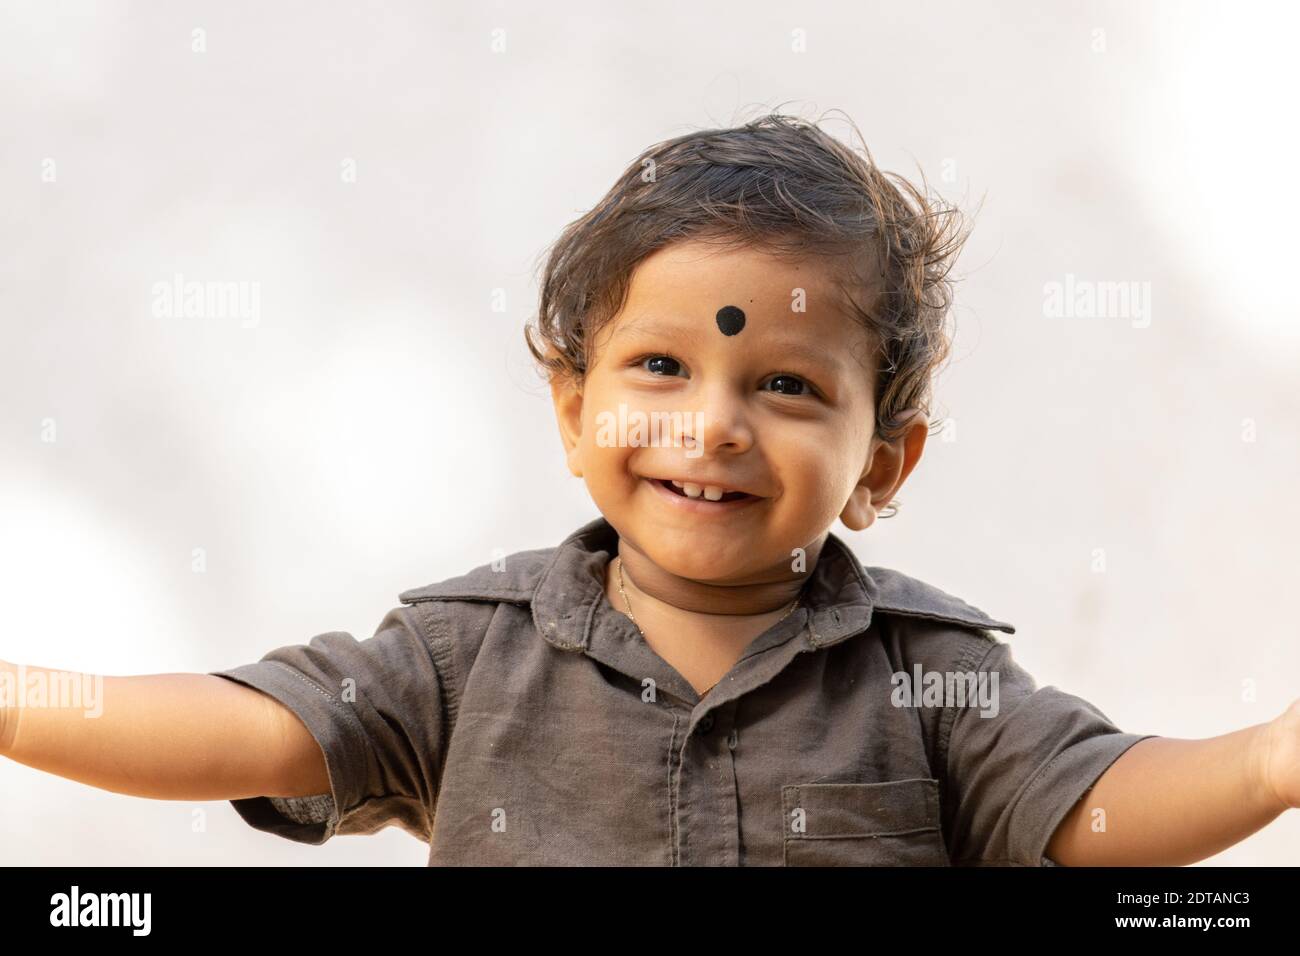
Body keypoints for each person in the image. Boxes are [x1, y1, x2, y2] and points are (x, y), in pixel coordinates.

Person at [2, 113, 1295, 865]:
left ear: (882, 462)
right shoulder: (463, 663)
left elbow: (1096, 807)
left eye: (787, 386)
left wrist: (1274, 761)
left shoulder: (930, 681)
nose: (714, 425)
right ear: (575, 412)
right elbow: (246, 729)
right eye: (662, 367)